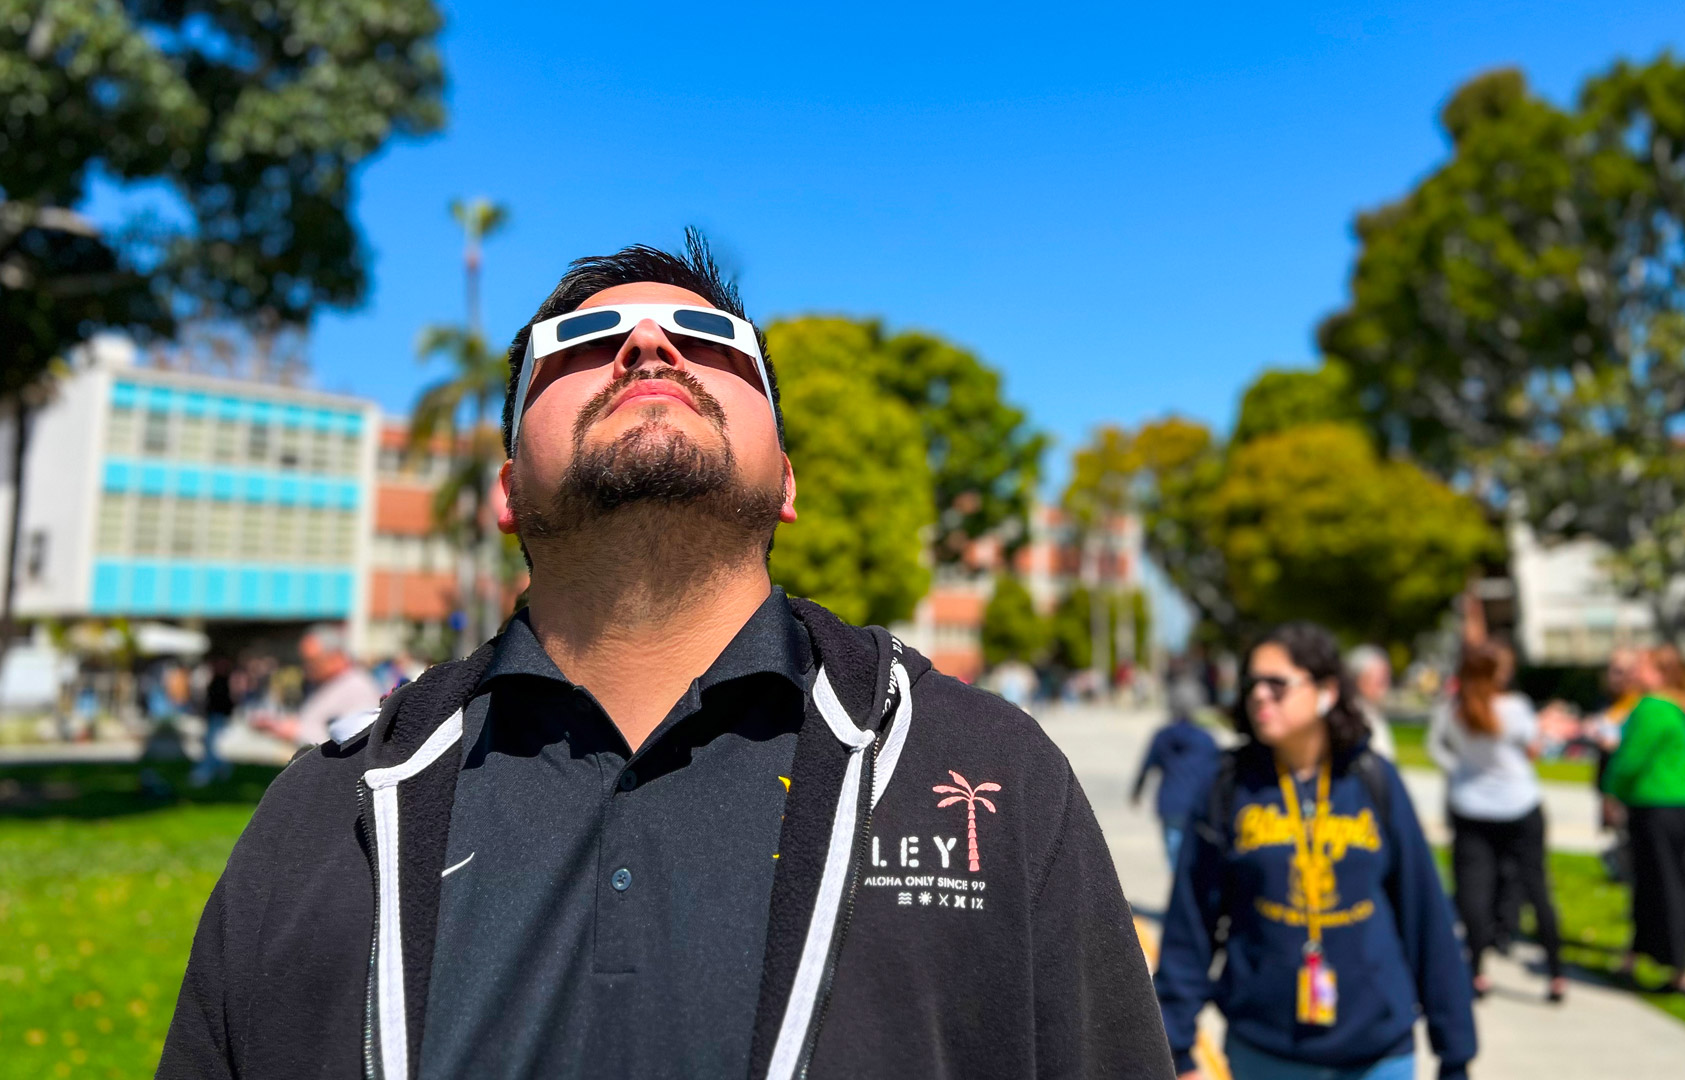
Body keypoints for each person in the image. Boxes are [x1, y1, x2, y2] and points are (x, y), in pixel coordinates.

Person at [161, 235, 1170, 1079]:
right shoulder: (321, 815)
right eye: (584, 342)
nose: (649, 344)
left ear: (785, 479)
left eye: (711, 340)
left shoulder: (993, 774)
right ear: (506, 490)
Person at [1156, 622, 1476, 1080]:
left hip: (1377, 1051)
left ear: (1326, 691)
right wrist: (1177, 1046)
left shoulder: (1371, 780)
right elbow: (1191, 919)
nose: (1260, 696)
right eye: (1252, 684)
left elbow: (1425, 914)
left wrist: (1456, 1051)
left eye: (1277, 684)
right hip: (1265, 1051)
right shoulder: (1228, 786)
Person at [1427, 643, 1565, 1002]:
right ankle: (1555, 973)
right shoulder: (1515, 708)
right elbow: (1534, 750)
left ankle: (1476, 972)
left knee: (1473, 893)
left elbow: (1440, 750)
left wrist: (1459, 771)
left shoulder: (1453, 710)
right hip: (1519, 804)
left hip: (1471, 805)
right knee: (1536, 888)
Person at [1601, 647, 1685, 994]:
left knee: (1664, 887)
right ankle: (1637, 955)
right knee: (1647, 886)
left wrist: (1609, 788)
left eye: (1640, 667)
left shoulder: (1652, 709)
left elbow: (1629, 759)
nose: (1632, 672)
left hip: (1656, 806)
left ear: (1659, 674)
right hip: (1671, 806)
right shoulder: (1673, 707)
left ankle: (1679, 970)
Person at [250, 624, 383, 747]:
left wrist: (295, 731)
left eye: (313, 661)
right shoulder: (325, 683)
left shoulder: (358, 687)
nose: (307, 667)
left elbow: (354, 740)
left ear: (335, 656)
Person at [1133, 707, 1223, 869]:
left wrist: (1136, 792)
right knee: (1199, 855)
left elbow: (1146, 766)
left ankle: (1178, 886)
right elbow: (1220, 771)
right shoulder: (1205, 739)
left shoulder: (1162, 737)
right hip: (1199, 804)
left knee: (1174, 854)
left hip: (1170, 803)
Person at [1345, 644, 1398, 762]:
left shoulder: (1372, 711)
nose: (1386, 685)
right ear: (1359, 679)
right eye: (1380, 680)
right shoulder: (1351, 716)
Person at [190, 655, 236, 787]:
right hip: (215, 716)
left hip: (218, 716)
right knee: (213, 745)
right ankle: (222, 769)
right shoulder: (217, 680)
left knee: (212, 745)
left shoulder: (221, 681)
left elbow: (223, 701)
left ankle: (208, 773)